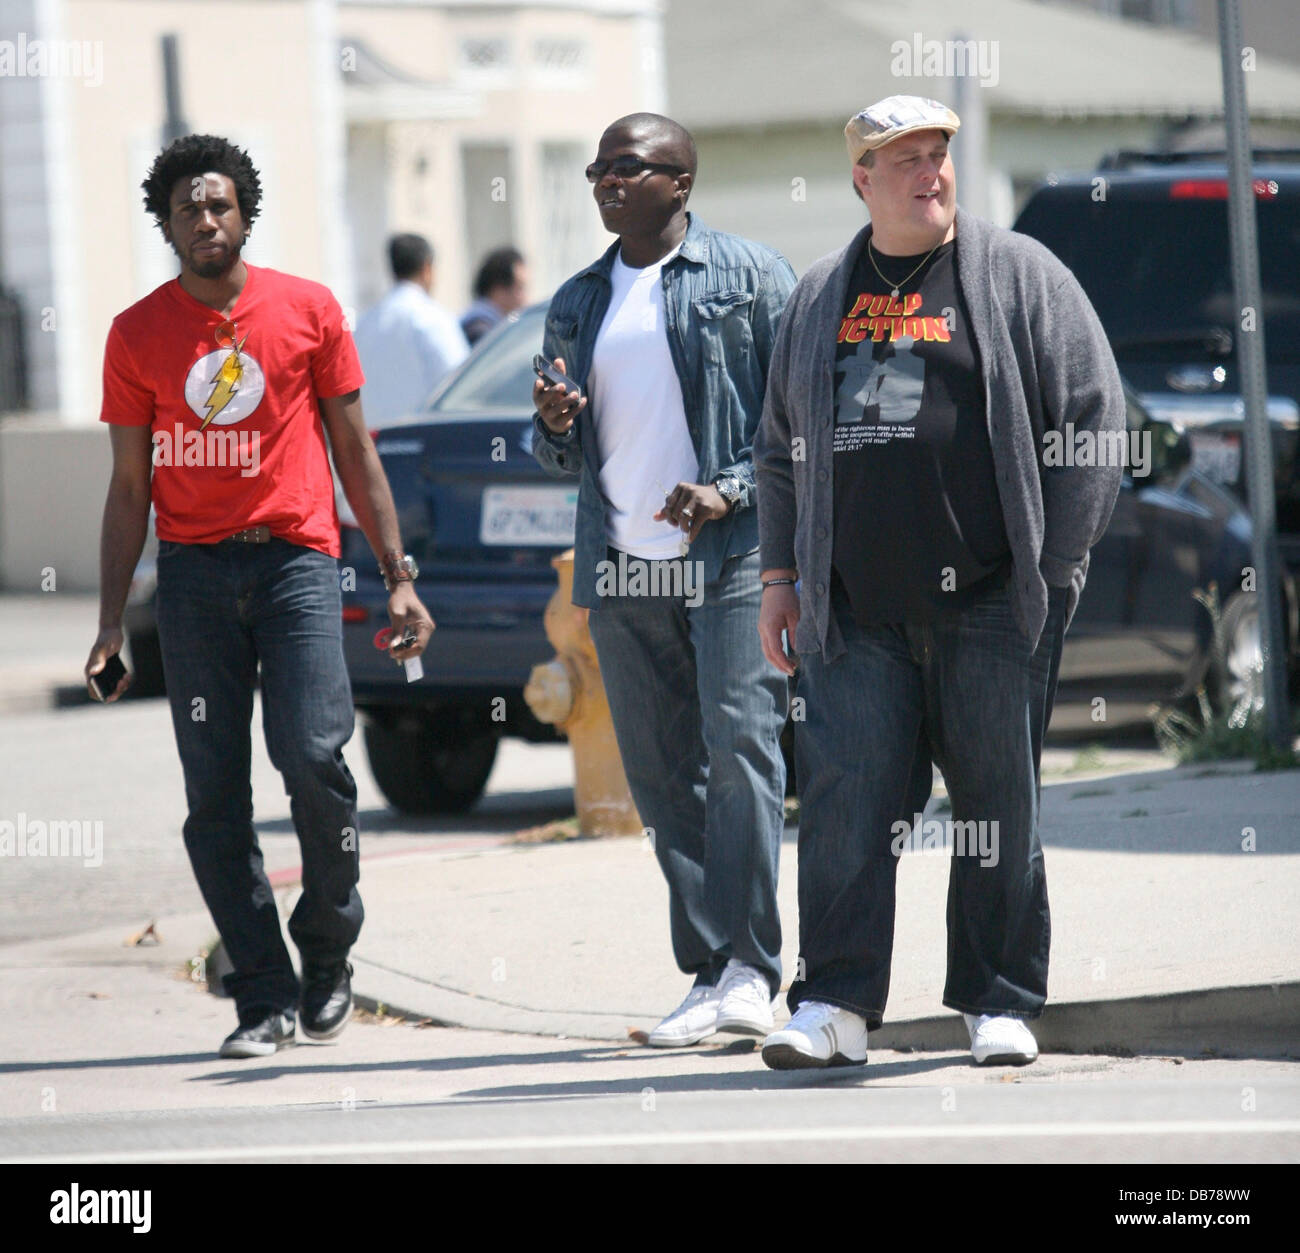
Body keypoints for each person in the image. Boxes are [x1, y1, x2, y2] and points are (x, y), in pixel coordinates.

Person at [754, 96, 1124, 1070]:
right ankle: (834, 1005)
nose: (930, 172)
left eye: (939, 153)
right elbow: (779, 450)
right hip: (853, 611)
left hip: (993, 601)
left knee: (997, 807)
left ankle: (997, 1001)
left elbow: (1095, 418)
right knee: (845, 809)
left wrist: (1055, 566)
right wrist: (780, 573)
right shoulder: (820, 295)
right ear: (861, 180)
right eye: (905, 158)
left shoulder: (1018, 274)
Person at [86, 134, 435, 1059]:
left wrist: (399, 579)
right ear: (166, 225)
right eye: (188, 208)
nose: (205, 219)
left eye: (220, 204)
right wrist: (110, 620)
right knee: (214, 794)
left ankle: (327, 952)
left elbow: (355, 450)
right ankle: (263, 991)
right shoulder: (136, 333)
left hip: (296, 567)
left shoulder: (308, 310)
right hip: (192, 577)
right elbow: (129, 485)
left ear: (245, 214)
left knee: (314, 757)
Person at [533, 113, 796, 1046]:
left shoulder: (752, 276)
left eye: (629, 166)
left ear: (680, 182)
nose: (608, 181)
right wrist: (555, 423)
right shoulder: (577, 300)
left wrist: (728, 492)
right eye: (598, 168)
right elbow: (558, 456)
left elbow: (797, 417)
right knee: (658, 773)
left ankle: (755, 968)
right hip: (622, 565)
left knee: (741, 748)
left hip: (730, 556)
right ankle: (709, 969)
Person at [353, 233, 469, 423]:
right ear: (427, 268)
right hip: (424, 433)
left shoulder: (364, 323)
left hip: (376, 435)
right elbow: (459, 383)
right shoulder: (433, 317)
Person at [461, 246, 528, 345]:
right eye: (520, 288)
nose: (525, 298)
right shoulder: (479, 329)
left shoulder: (494, 326)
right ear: (499, 290)